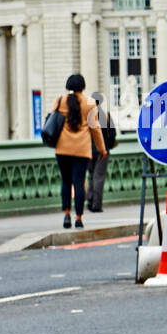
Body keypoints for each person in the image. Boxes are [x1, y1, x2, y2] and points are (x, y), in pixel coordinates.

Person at [51, 74, 107, 230]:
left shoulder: (60, 100)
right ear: (83, 86)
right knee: (79, 183)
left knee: (66, 182)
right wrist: (102, 149)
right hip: (82, 150)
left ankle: (66, 214)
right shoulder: (89, 103)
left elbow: (52, 119)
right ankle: (79, 218)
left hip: (62, 148)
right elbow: (95, 129)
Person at [86, 96, 117, 213]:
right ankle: (96, 205)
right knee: (99, 177)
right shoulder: (105, 115)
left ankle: (89, 200)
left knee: (91, 175)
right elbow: (112, 133)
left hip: (89, 150)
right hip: (102, 150)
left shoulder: (88, 116)